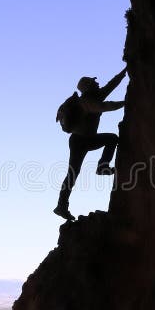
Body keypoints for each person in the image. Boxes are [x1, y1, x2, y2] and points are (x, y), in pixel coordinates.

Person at [54, 67, 127, 220]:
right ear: (88, 87)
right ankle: (61, 206)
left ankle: (102, 167)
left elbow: (110, 85)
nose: (97, 83)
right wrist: (128, 102)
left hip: (87, 139)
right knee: (73, 173)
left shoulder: (95, 95)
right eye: (93, 82)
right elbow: (106, 107)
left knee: (112, 138)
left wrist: (124, 72)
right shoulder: (86, 102)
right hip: (79, 142)